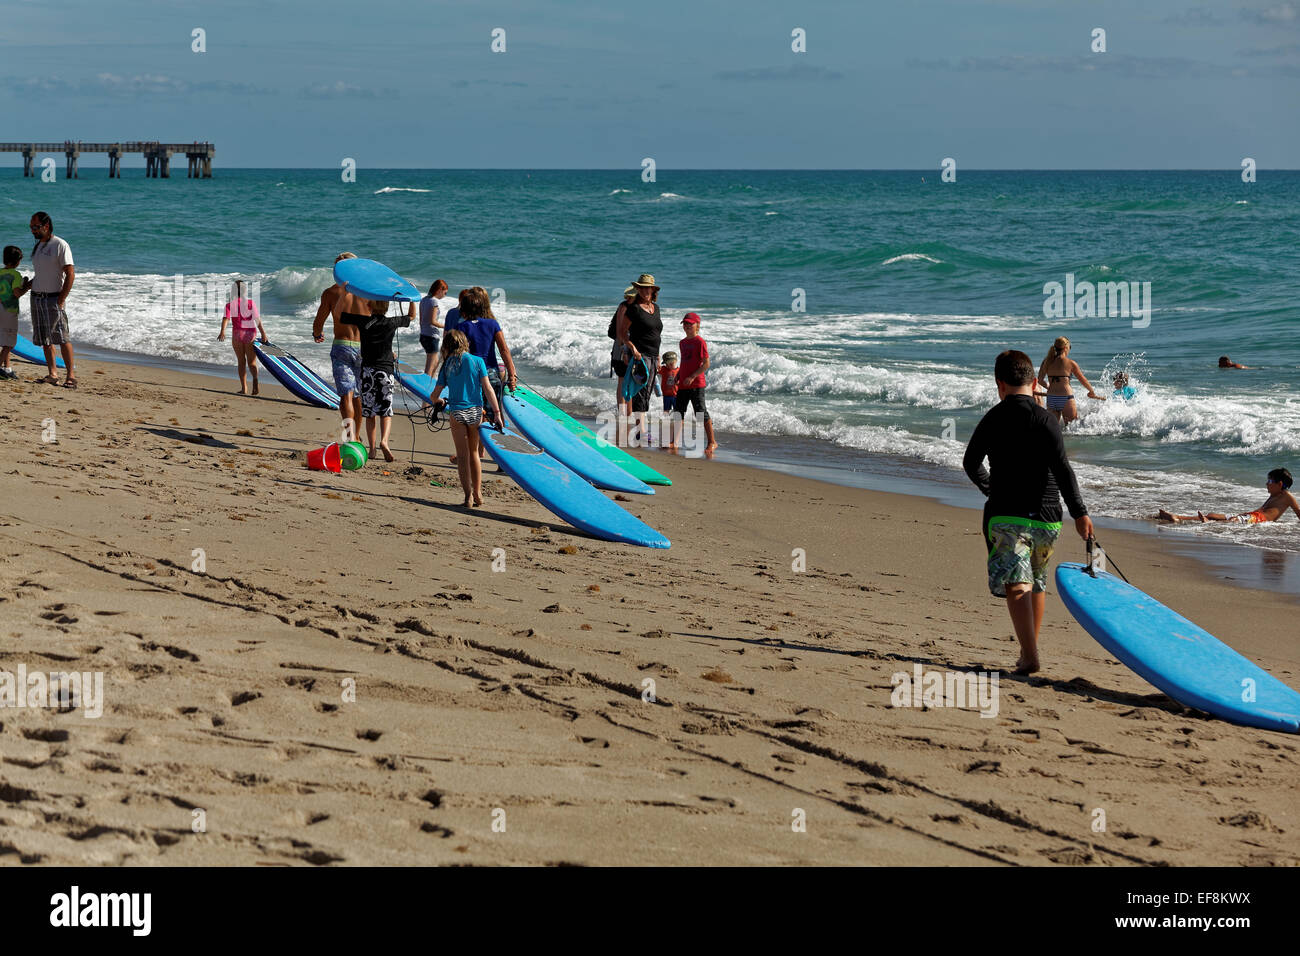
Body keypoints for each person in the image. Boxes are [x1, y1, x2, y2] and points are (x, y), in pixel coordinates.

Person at [963, 349, 1093, 675]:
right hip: (1049, 518)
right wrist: (1080, 514)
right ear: (1035, 382)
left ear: (1000, 384)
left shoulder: (993, 418)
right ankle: (1028, 651)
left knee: (1015, 583)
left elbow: (971, 463)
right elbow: (1063, 470)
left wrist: (990, 488)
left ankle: (1030, 655)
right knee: (1036, 581)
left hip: (1007, 513)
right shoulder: (1048, 420)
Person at [333, 293, 409, 462]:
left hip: (367, 372)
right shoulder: (392, 322)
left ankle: (372, 449)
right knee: (385, 412)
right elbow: (411, 316)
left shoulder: (364, 321)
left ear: (369, 306)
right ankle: (384, 441)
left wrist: (343, 293)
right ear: (387, 307)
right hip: (386, 372)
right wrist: (410, 297)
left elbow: (338, 314)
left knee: (370, 413)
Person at [431, 329, 502, 509]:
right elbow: (488, 388)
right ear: (465, 343)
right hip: (476, 412)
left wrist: (439, 402)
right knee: (474, 454)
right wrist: (497, 413)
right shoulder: (478, 361)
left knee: (462, 457)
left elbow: (434, 396)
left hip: (457, 413)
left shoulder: (447, 365)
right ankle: (478, 493)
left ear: (446, 346)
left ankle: (468, 497)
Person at [313, 252, 364, 442]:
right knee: (358, 395)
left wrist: (318, 334)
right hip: (363, 347)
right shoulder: (366, 292)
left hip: (342, 346)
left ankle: (349, 437)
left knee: (346, 395)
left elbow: (318, 322)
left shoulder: (330, 293)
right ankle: (357, 436)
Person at [28, 212, 76, 388]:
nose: (32, 230)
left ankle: (70, 376)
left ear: (46, 226)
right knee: (44, 339)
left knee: (62, 337)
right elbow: (40, 275)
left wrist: (62, 298)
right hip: (37, 298)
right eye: (31, 227)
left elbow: (70, 273)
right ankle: (52, 374)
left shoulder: (60, 244)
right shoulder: (38, 247)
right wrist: (25, 288)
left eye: (35, 227)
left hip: (53, 298)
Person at [616, 274, 663, 445]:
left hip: (653, 354)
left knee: (648, 391)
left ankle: (641, 430)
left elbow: (656, 333)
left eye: (647, 287)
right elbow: (622, 332)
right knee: (640, 392)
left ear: (652, 289)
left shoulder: (655, 308)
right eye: (642, 287)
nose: (645, 290)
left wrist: (658, 356)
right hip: (640, 356)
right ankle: (641, 431)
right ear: (638, 289)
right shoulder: (634, 309)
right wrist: (632, 349)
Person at [1158, 469, 1298, 525]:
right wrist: (1245, 513)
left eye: (1270, 482)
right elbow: (1261, 509)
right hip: (1252, 516)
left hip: (1257, 519)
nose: (1266, 484)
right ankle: (1178, 517)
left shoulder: (1287, 496)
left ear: (1280, 484)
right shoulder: (1274, 495)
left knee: (1233, 521)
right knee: (1212, 514)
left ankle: (1208, 524)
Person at [673, 312, 718, 456]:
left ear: (697, 325)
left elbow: (706, 364)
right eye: (685, 324)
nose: (687, 326)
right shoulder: (683, 343)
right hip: (683, 384)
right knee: (678, 412)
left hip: (697, 384)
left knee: (700, 412)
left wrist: (692, 376)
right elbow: (684, 362)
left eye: (690, 324)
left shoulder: (700, 342)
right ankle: (675, 441)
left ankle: (712, 442)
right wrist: (679, 375)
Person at [1037, 336, 1102, 427]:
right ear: (1065, 348)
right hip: (1066, 398)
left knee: (1052, 428)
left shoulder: (1046, 361)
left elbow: (1040, 380)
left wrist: (1049, 387)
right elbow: (1083, 380)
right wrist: (1091, 391)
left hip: (1051, 397)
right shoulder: (1070, 363)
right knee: (1072, 428)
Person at [217, 279, 268, 395]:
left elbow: (226, 319)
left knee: (241, 361)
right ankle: (255, 380)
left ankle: (244, 388)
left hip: (237, 335)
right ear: (245, 291)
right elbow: (257, 319)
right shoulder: (250, 303)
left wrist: (222, 332)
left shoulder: (230, 304)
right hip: (250, 334)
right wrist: (263, 333)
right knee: (252, 362)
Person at [0, 246, 31, 380]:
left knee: (4, 338)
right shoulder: (16, 275)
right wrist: (27, 287)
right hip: (9, 310)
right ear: (18, 261)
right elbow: (16, 293)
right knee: (10, 343)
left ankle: (7, 368)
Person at [608, 284, 637, 422]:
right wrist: (624, 351)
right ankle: (622, 413)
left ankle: (628, 413)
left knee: (629, 380)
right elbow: (620, 332)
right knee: (622, 380)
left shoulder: (633, 307)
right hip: (621, 348)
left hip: (630, 347)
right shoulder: (624, 307)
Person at [418, 279, 448, 376]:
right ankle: (426, 387)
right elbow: (433, 321)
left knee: (434, 363)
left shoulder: (424, 300)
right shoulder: (434, 301)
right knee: (430, 367)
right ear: (439, 290)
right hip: (431, 336)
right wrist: (446, 326)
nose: (445, 296)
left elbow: (421, 321)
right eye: (445, 293)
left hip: (423, 335)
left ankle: (431, 385)